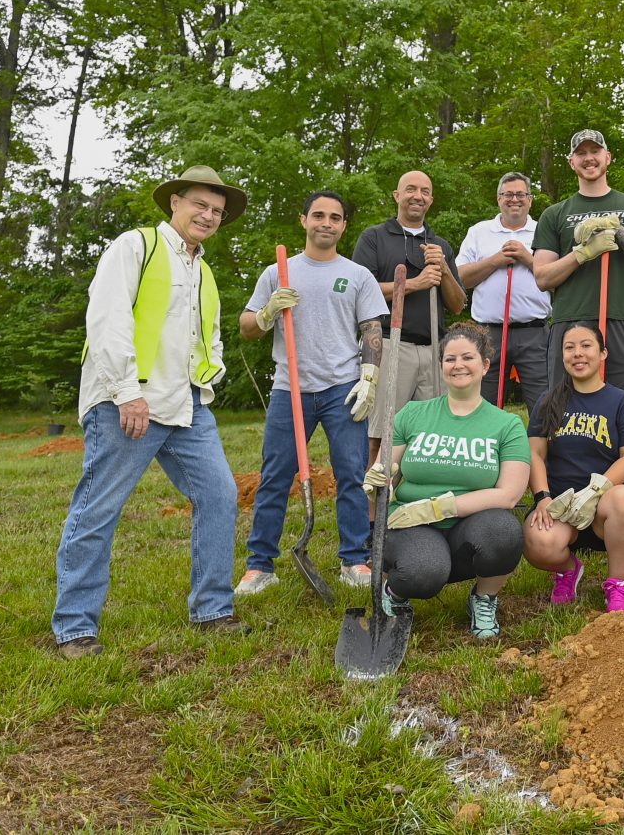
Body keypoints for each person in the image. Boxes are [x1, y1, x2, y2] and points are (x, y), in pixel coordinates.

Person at [52, 165, 248, 659]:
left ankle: (212, 610)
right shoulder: (135, 246)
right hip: (129, 402)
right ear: (175, 203)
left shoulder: (202, 270)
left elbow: (210, 336)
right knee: (98, 509)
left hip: (187, 407)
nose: (208, 215)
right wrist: (125, 390)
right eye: (200, 205)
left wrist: (210, 376)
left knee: (221, 495)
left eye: (217, 211)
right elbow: (107, 317)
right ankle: (75, 627)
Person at [235, 191, 389, 595]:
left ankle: (354, 559)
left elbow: (373, 329)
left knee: (351, 476)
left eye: (335, 217)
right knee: (274, 478)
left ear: (343, 226)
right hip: (291, 388)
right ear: (303, 220)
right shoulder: (278, 272)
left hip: (342, 387)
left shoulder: (358, 275)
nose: (326, 223)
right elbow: (246, 326)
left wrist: (369, 376)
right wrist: (267, 312)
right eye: (318, 215)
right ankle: (260, 565)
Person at [363, 324, 530, 639]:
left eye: (468, 357)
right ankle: (395, 594)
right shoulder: (412, 414)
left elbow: (508, 495)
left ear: (485, 365)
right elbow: (386, 468)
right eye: (450, 359)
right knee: (425, 571)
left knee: (505, 531)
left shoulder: (507, 425)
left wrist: (440, 507)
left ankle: (484, 598)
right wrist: (376, 480)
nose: (458, 365)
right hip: (412, 524)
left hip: (470, 528)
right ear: (441, 367)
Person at [533, 129, 624, 498]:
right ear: (572, 162)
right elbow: (542, 277)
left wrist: (618, 232)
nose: (589, 158)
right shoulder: (556, 214)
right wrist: (582, 253)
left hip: (619, 321)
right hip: (570, 322)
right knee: (562, 411)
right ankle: (560, 499)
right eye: (581, 153)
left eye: (596, 151)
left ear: (608, 158)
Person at [522, 324, 624, 614]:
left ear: (603, 353)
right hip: (562, 505)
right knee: (537, 541)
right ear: (563, 356)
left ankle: (617, 584)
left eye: (586, 346)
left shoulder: (623, 403)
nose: (578, 353)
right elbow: (535, 454)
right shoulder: (548, 401)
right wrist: (543, 497)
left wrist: (595, 491)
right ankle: (568, 571)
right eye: (569, 347)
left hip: (605, 507)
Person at [352, 170, 466, 457]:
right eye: (411, 189)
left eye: (425, 191)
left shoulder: (440, 246)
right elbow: (359, 292)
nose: (418, 196)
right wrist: (414, 284)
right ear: (397, 195)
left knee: (431, 435)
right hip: (390, 344)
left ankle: (415, 498)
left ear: (431, 199)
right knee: (380, 434)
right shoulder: (375, 237)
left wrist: (443, 271)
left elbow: (457, 304)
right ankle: (373, 500)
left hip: (433, 351)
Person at [457, 172, 552, 415]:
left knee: (544, 403)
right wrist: (497, 260)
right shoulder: (479, 231)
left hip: (535, 333)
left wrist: (527, 258)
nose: (514, 199)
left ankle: (541, 453)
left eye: (521, 194)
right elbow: (460, 278)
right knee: (484, 404)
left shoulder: (544, 230)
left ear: (530, 200)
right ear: (498, 199)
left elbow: (557, 279)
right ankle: (487, 451)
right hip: (489, 333)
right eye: (508, 194)